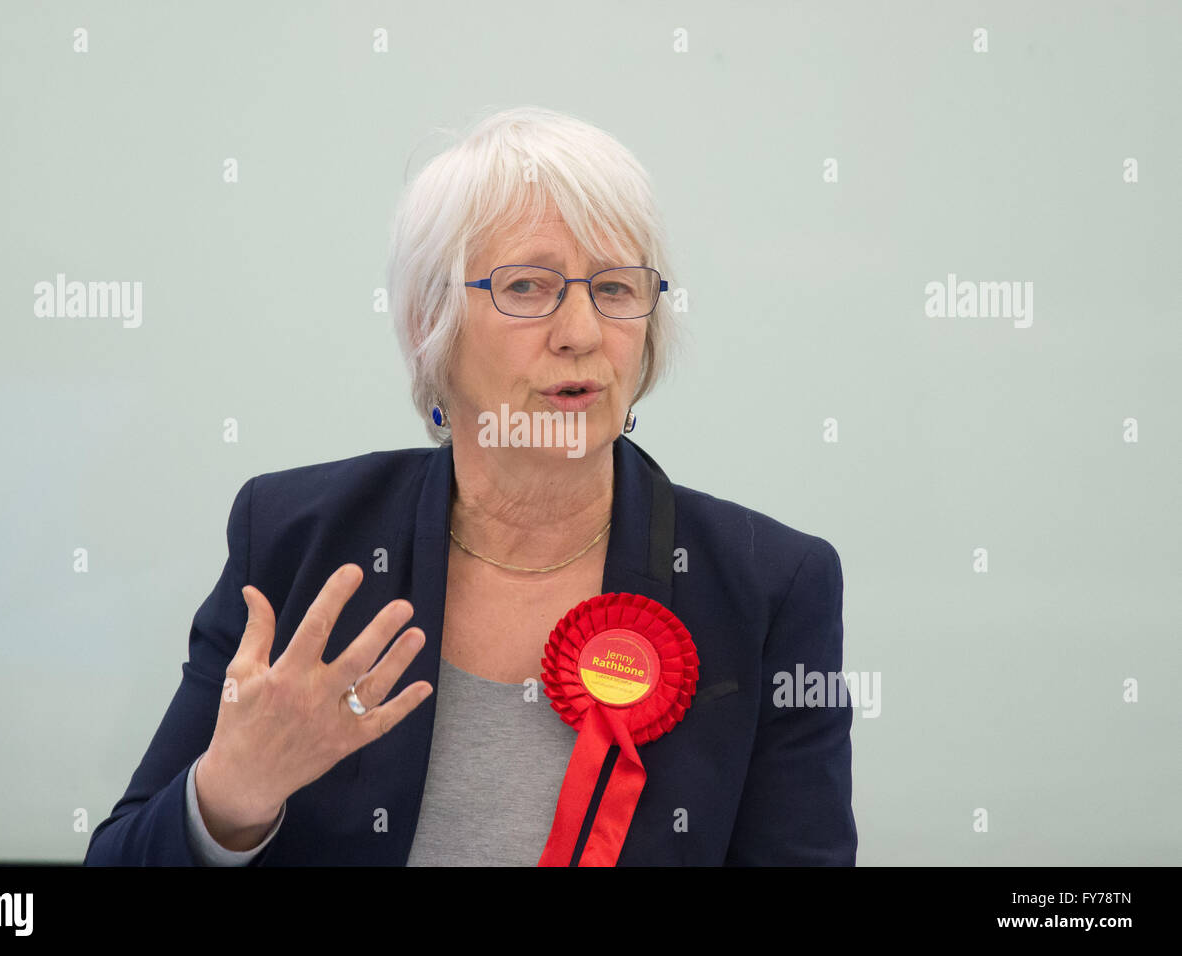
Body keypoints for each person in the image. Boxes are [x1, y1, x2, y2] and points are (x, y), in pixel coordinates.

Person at [84, 105, 858, 866]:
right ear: (432, 321)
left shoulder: (769, 586)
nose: (583, 333)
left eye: (616, 289)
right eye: (528, 286)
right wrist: (230, 799)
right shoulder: (296, 540)